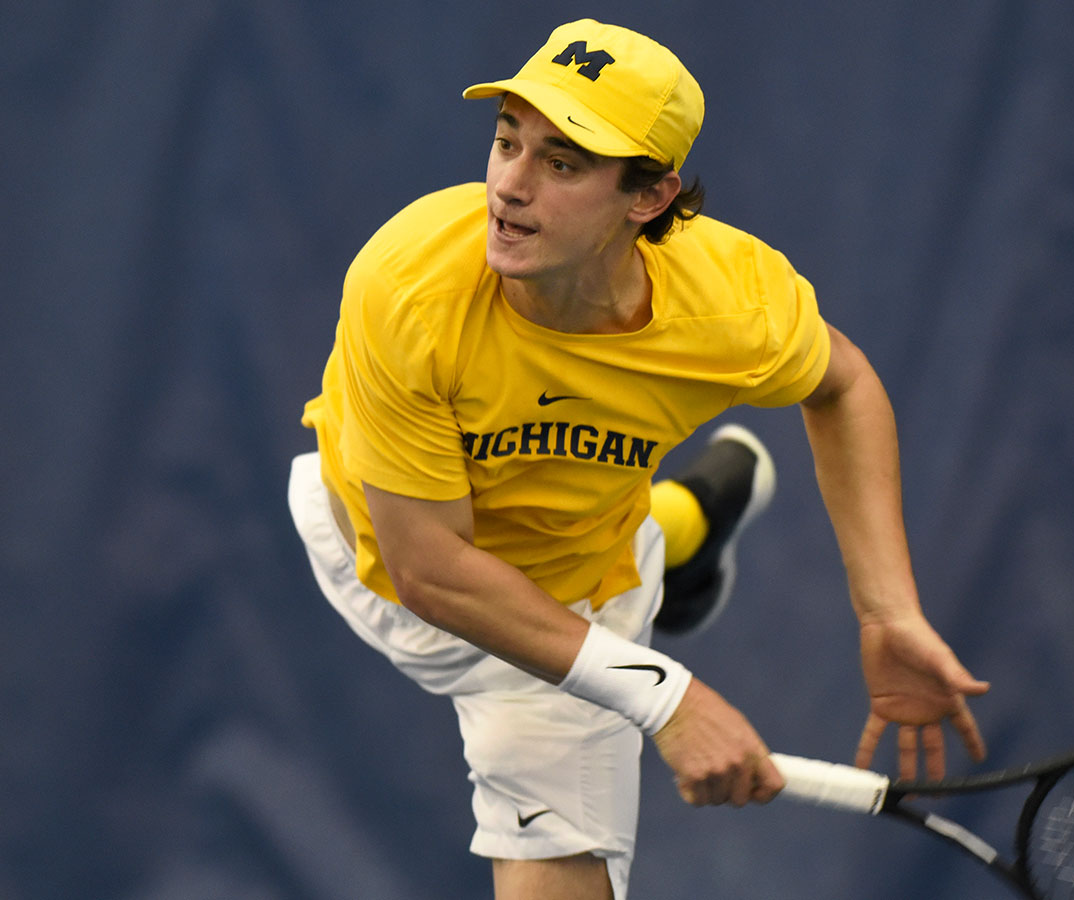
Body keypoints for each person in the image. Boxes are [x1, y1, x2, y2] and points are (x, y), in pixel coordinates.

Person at [287, 19, 990, 900]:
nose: (508, 186)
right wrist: (667, 699)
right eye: (507, 142)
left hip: (565, 602)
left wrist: (887, 611)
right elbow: (431, 571)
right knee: (486, 548)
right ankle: (685, 526)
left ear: (649, 198)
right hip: (372, 535)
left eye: (562, 164)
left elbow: (842, 385)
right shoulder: (409, 285)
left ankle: (671, 536)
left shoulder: (726, 301)